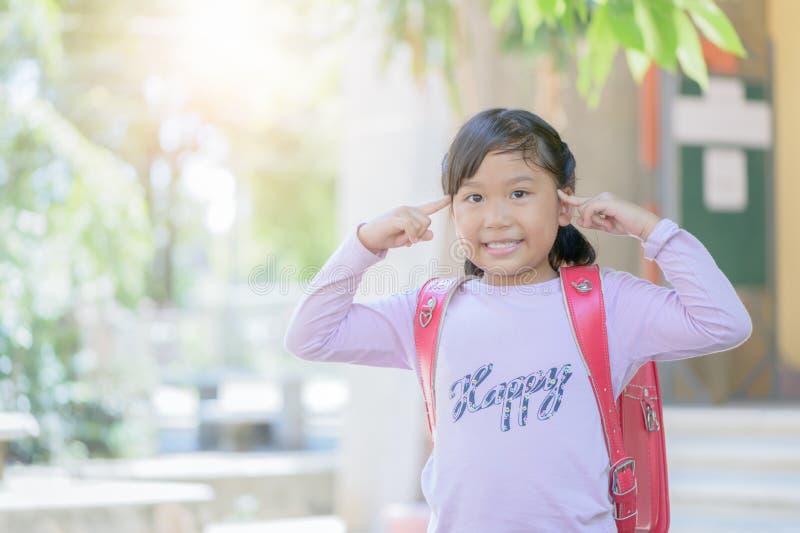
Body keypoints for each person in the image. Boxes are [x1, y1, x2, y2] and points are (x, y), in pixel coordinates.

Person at [283, 108, 752, 532]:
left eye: (520, 192)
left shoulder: (609, 304)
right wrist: (365, 244)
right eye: (474, 198)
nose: (497, 217)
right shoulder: (429, 313)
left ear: (563, 202)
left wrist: (650, 230)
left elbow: (723, 322)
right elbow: (311, 336)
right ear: (451, 208)